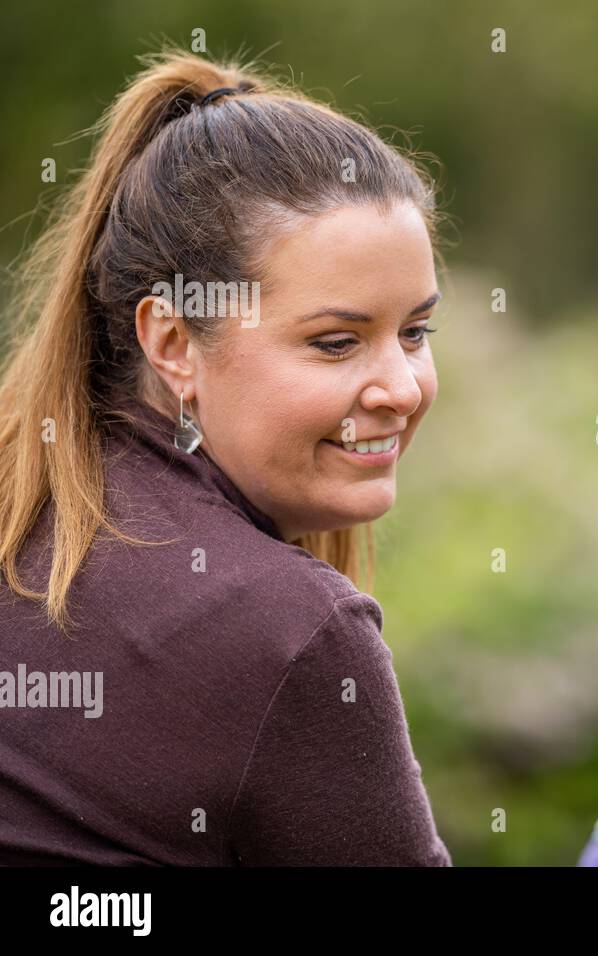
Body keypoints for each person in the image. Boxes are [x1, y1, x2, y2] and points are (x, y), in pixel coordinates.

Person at [0, 50, 453, 865]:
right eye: (336, 342)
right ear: (173, 342)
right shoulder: (296, 632)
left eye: (415, 332)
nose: (402, 388)